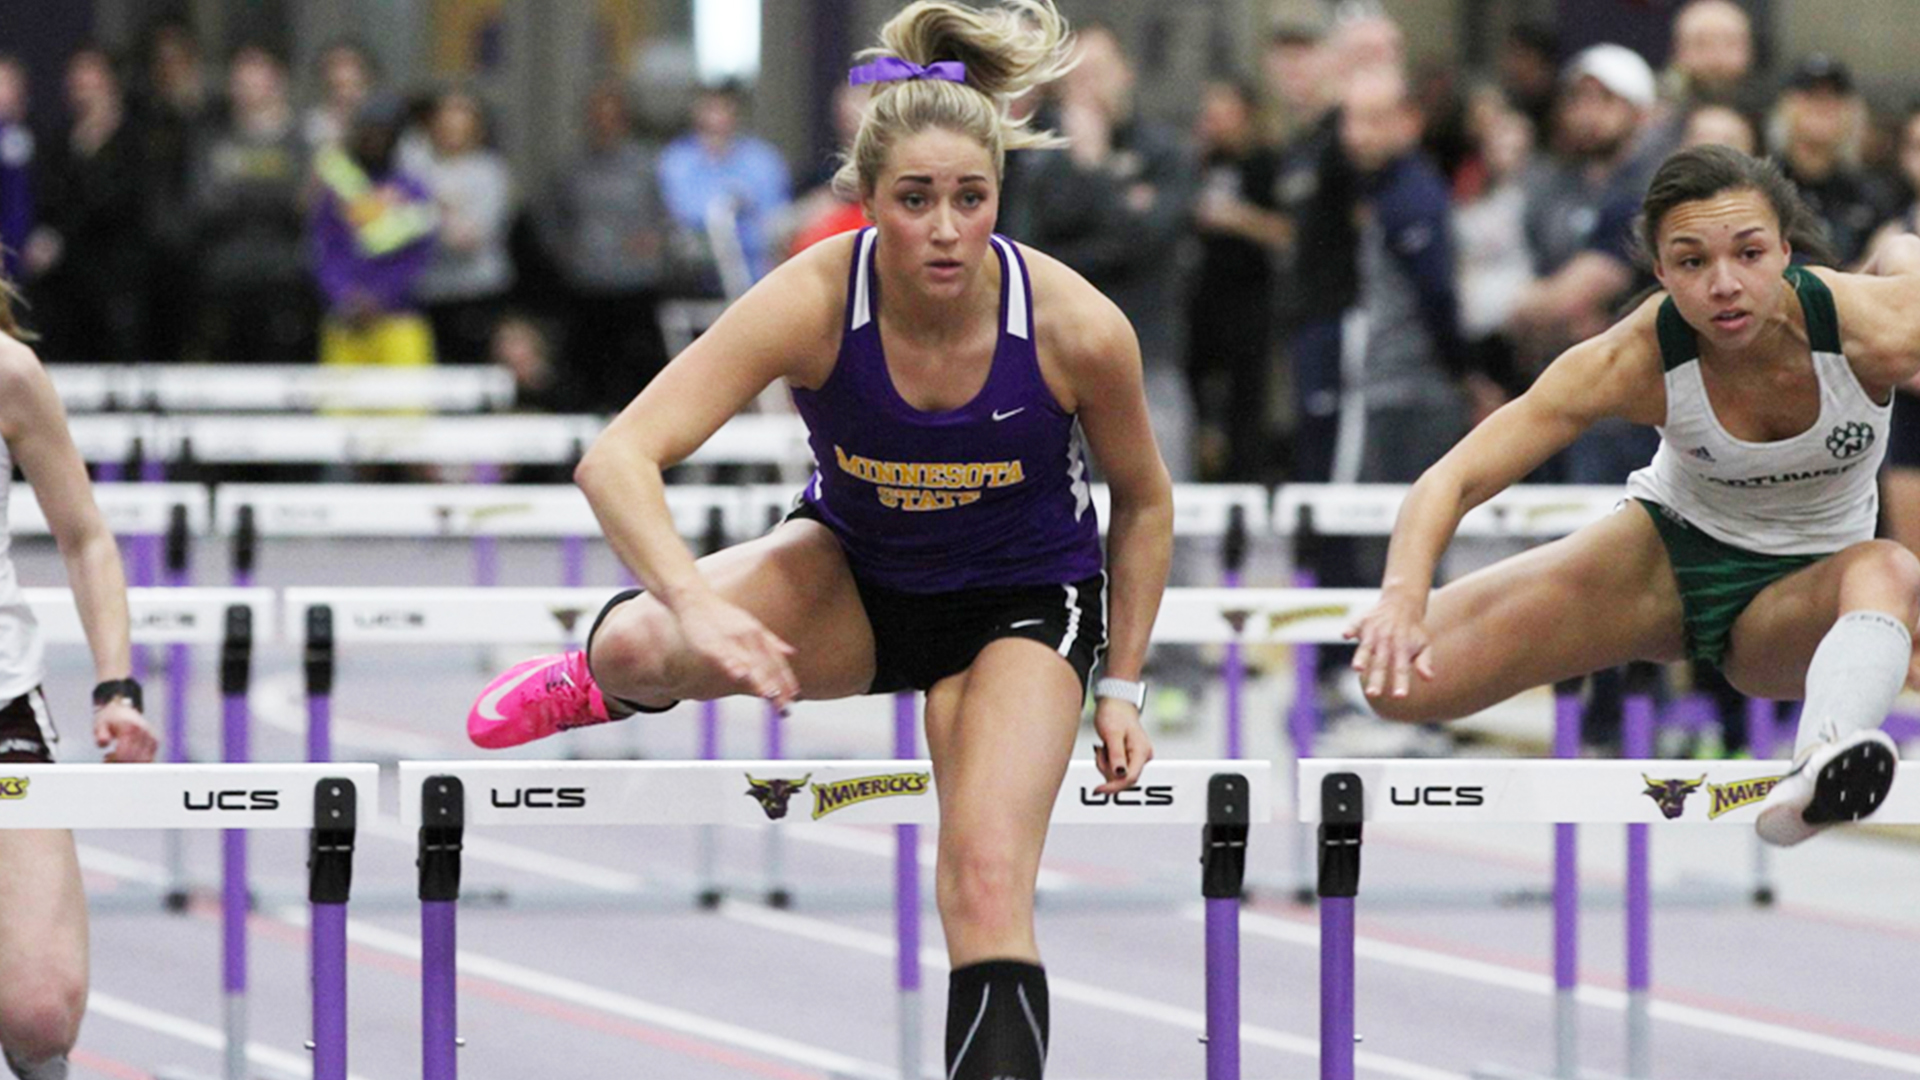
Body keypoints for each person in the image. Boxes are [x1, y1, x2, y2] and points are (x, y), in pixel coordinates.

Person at [467, 3, 1172, 1077]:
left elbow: (1146, 499)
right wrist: (698, 612)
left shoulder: (1075, 325)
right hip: (859, 578)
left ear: (999, 196)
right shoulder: (810, 300)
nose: (945, 229)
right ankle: (599, 675)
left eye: (970, 199)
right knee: (640, 646)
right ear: (868, 200)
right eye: (916, 200)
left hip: (1026, 604)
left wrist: (1121, 682)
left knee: (985, 881)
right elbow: (617, 459)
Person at [1346, 144, 1919, 848]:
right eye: (1691, 262)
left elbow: (1902, 266)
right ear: (1658, 272)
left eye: (1748, 254)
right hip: (1663, 565)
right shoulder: (1633, 358)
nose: (1724, 285)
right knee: (1397, 685)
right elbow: (1453, 478)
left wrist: (1901, 255)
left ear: (1786, 250)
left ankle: (1821, 764)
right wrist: (1402, 597)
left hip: (1805, 602)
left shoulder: (1882, 328)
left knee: (1889, 569)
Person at [0, 278, 158, 1078]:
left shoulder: (8, 373)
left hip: (0, 708)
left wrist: (115, 686)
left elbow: (86, 535)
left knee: (40, 1011)